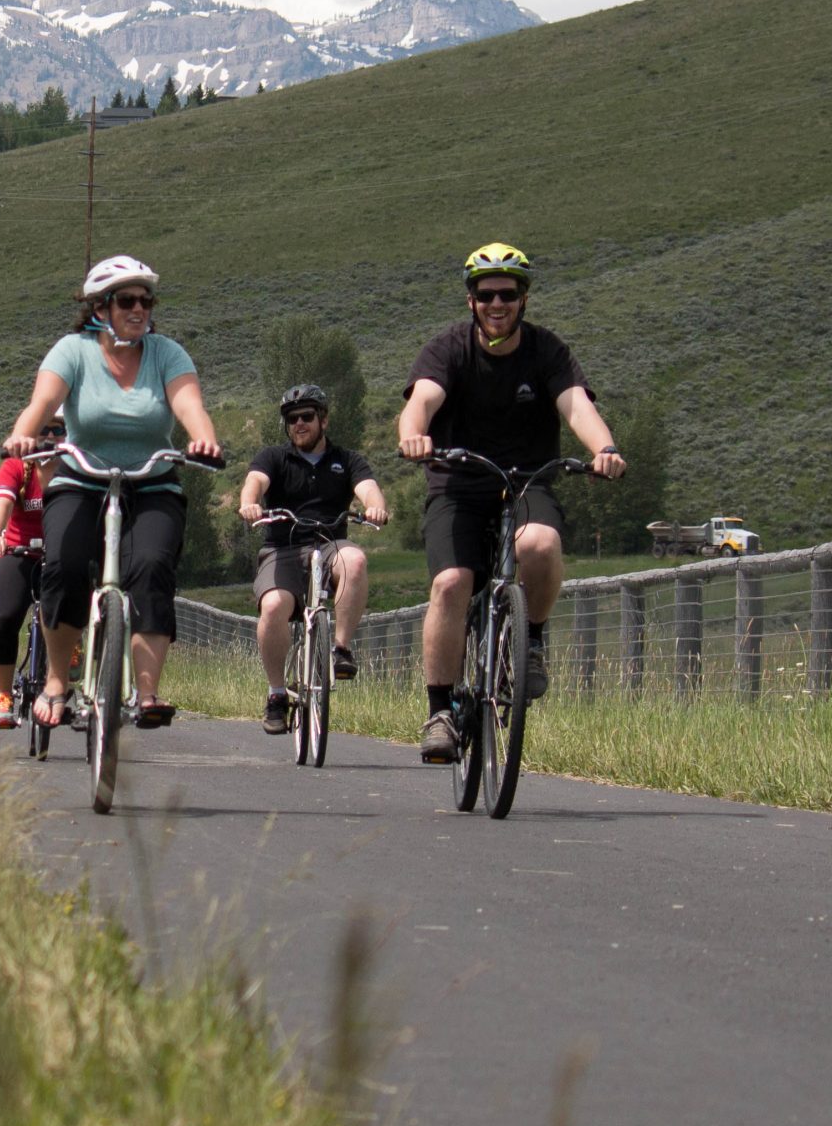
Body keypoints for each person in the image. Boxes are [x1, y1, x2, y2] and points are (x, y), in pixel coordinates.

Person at [396, 242, 625, 763]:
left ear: (524, 298)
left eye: (508, 293)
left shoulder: (547, 351)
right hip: (457, 484)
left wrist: (604, 449)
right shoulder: (448, 349)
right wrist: (414, 435)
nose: (496, 303)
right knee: (452, 583)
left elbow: (576, 406)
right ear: (471, 299)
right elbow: (421, 401)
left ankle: (532, 641)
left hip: (527, 482)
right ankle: (440, 712)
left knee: (541, 545)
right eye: (486, 294)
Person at [3, 254, 222, 732]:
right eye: (127, 300)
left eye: (146, 300)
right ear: (101, 308)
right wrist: (24, 435)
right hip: (82, 477)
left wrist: (202, 437)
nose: (139, 308)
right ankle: (58, 682)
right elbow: (42, 403)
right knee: (61, 565)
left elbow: (189, 404)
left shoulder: (167, 354)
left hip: (152, 479)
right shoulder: (72, 351)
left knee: (152, 568)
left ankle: (147, 693)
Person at [238, 382, 388, 735]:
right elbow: (254, 482)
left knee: (356, 561)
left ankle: (340, 650)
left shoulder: (347, 460)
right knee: (273, 607)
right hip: (283, 548)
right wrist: (250, 502)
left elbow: (367, 488)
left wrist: (375, 507)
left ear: (324, 420)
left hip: (330, 542)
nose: (299, 424)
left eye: (306, 416)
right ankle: (277, 694)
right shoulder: (274, 457)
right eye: (292, 419)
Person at [0, 419, 61, 727]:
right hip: (19, 551)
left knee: (70, 602)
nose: (51, 436)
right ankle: (3, 695)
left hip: (59, 555)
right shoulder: (17, 465)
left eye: (58, 430)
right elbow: (3, 502)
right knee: (8, 615)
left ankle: (72, 648)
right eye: (44, 430)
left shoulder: (73, 465)